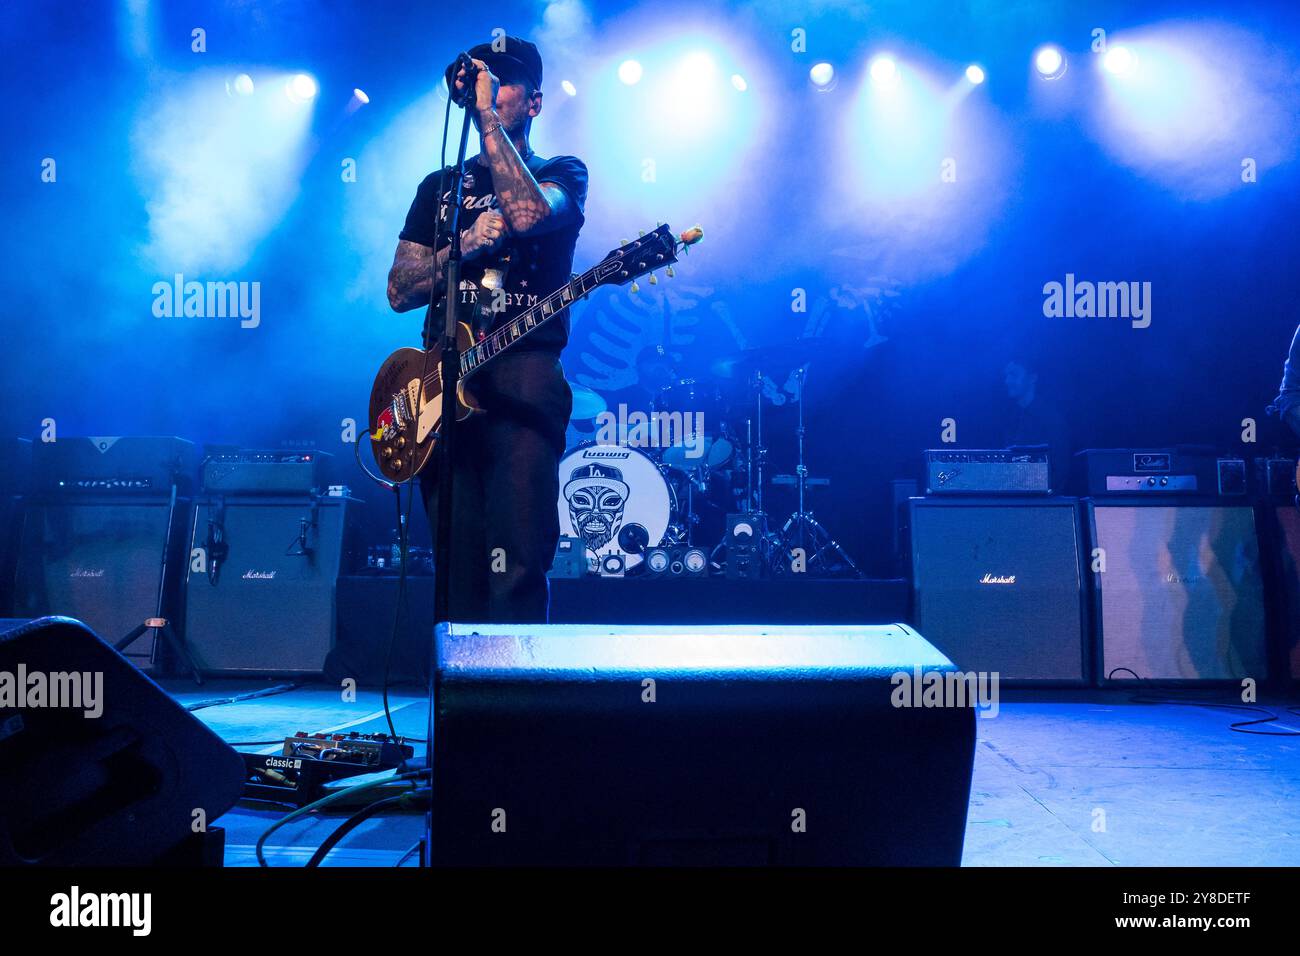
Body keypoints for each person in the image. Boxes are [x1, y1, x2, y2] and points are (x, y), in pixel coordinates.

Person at [386, 36, 588, 622]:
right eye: (481, 81)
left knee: (517, 563)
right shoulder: (438, 187)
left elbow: (526, 214)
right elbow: (399, 288)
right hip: (442, 386)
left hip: (521, 378)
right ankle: (456, 709)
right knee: (454, 569)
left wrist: (486, 120)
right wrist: (462, 249)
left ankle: (517, 708)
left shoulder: (562, 172)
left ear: (536, 103)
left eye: (503, 82)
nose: (489, 91)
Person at [1002, 358, 1071, 493]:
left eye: (1014, 375)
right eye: (1006, 375)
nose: (1007, 381)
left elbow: (1061, 467)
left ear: (1032, 378)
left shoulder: (1051, 418)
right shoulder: (1011, 420)